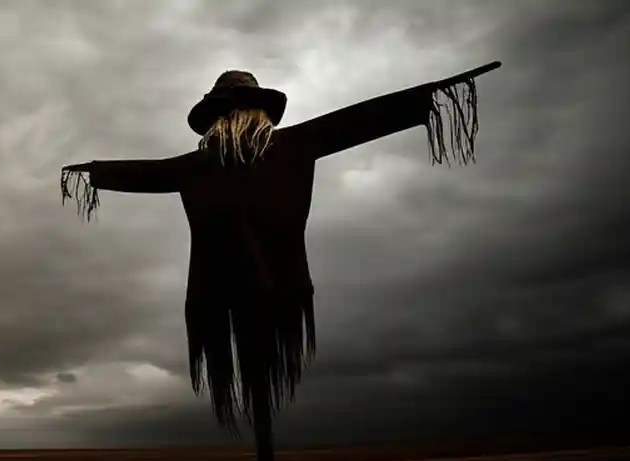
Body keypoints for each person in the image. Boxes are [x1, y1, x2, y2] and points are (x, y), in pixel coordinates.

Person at [61, 62, 501, 432]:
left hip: (216, 295)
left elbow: (146, 174)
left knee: (245, 376)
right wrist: (433, 94)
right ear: (259, 110)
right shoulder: (291, 145)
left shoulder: (196, 165)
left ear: (216, 115)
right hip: (281, 286)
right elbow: (362, 120)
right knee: (263, 376)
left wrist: (90, 171)